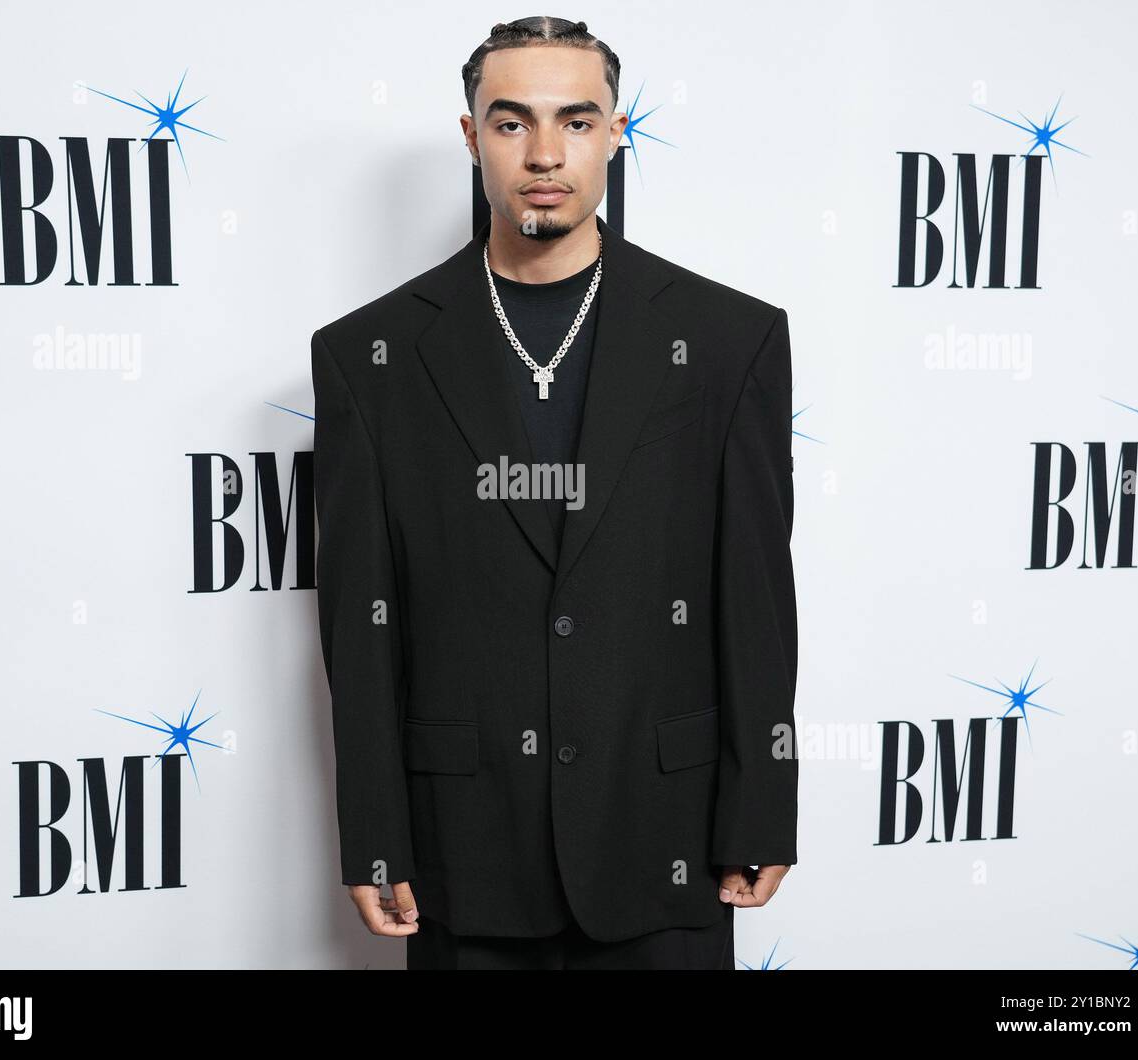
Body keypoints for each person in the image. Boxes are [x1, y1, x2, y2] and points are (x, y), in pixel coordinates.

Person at [311, 16, 798, 970]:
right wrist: (375, 827)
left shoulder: (730, 339)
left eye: (576, 122)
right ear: (470, 137)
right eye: (510, 123)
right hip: (465, 849)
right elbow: (359, 625)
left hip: (669, 840)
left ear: (618, 132)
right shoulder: (370, 358)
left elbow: (755, 599)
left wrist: (761, 804)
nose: (544, 153)